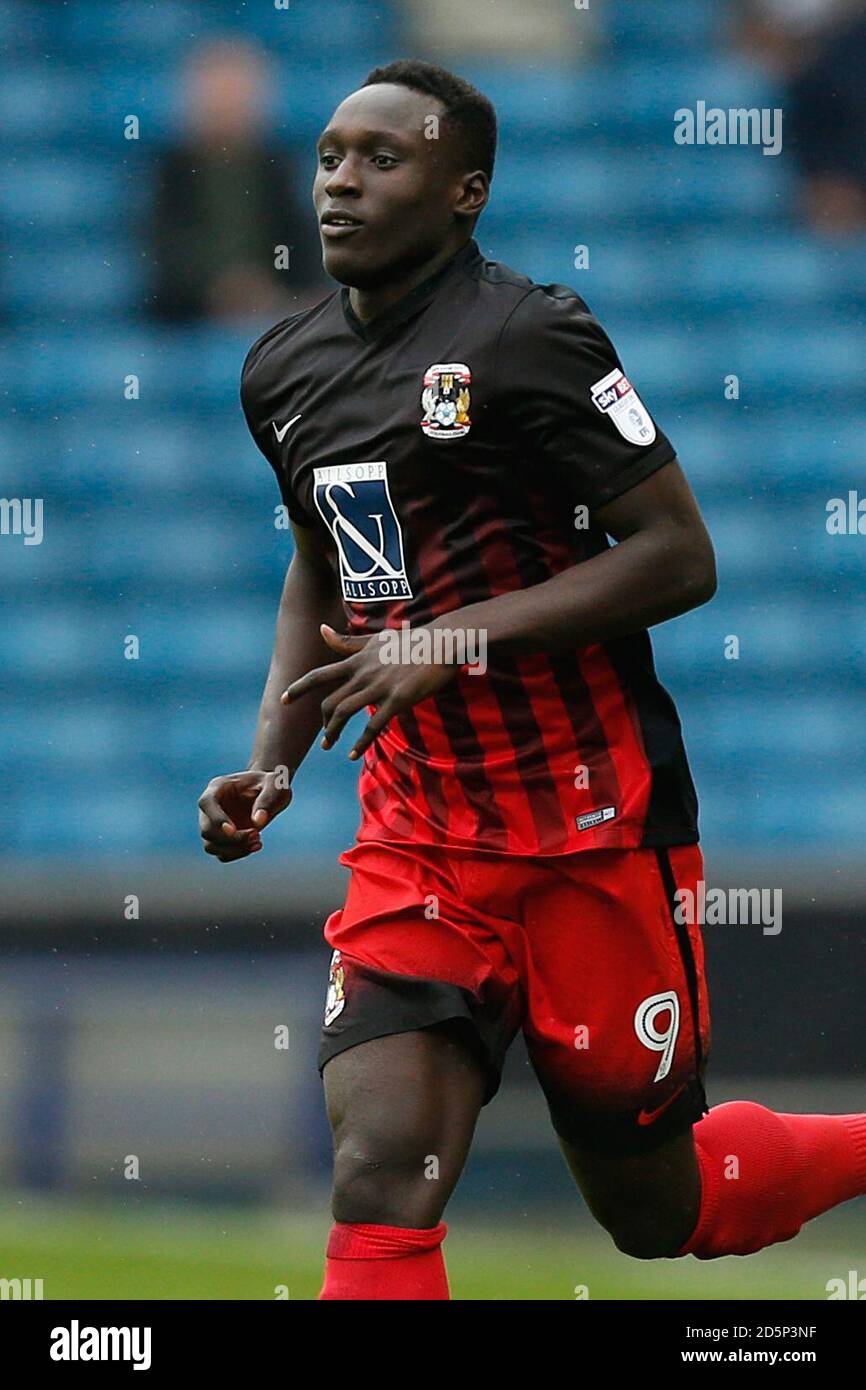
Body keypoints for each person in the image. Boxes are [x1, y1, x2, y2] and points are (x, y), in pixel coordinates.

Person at [198, 60, 866, 1300]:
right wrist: (271, 760)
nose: (341, 180)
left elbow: (679, 555)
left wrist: (447, 641)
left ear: (465, 191)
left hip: (591, 828)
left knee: (653, 1209)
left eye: (381, 158)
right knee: (382, 1163)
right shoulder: (281, 370)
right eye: (331, 154)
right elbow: (316, 573)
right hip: (421, 838)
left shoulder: (528, 336)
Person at [149, 39, 322, 323]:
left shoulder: (276, 166)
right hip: (189, 317)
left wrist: (283, 293)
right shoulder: (171, 169)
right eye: (216, 93)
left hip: (275, 308)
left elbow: (300, 241)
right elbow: (165, 251)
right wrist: (220, 288)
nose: (226, 105)